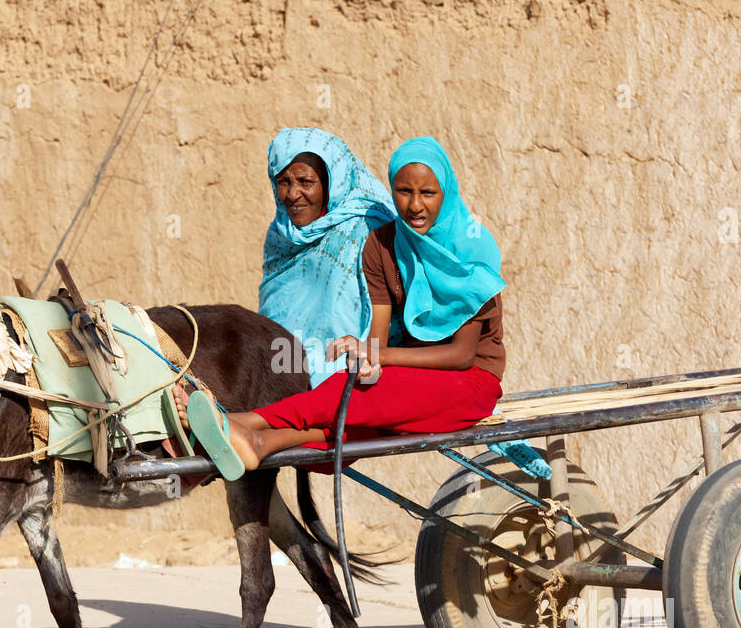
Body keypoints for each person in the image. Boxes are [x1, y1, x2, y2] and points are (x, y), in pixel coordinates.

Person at [178, 136, 506, 479]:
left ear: (447, 193)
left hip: (470, 382)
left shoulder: (471, 249)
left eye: (428, 193)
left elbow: (461, 356)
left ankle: (234, 422)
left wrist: (378, 355)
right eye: (403, 191)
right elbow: (378, 345)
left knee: (360, 396)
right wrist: (367, 356)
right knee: (354, 411)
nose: (415, 206)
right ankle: (260, 442)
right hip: (418, 377)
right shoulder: (381, 245)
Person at [257, 127, 397, 387]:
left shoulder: (366, 229)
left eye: (306, 182)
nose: (292, 194)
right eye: (283, 181)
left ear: (332, 183)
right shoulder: (280, 234)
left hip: (349, 366)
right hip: (279, 362)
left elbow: (382, 328)